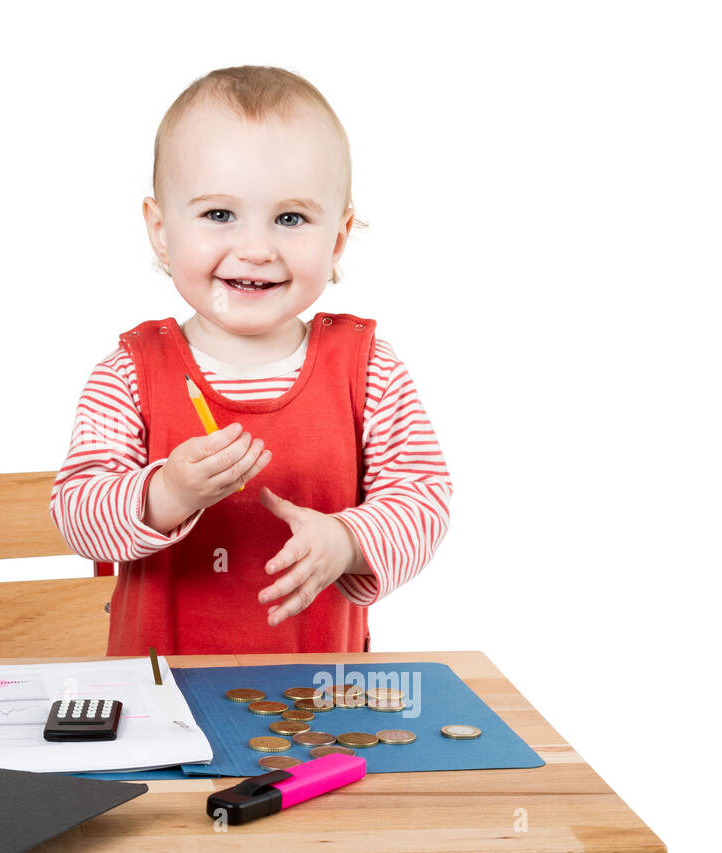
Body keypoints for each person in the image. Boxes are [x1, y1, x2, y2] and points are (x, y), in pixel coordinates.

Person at [50, 65, 452, 655]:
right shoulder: (130, 373)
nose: (257, 249)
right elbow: (76, 513)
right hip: (160, 708)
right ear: (161, 231)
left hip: (317, 704)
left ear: (337, 239)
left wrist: (347, 540)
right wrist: (166, 494)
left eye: (291, 219)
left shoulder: (368, 369)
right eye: (219, 215)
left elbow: (423, 497)